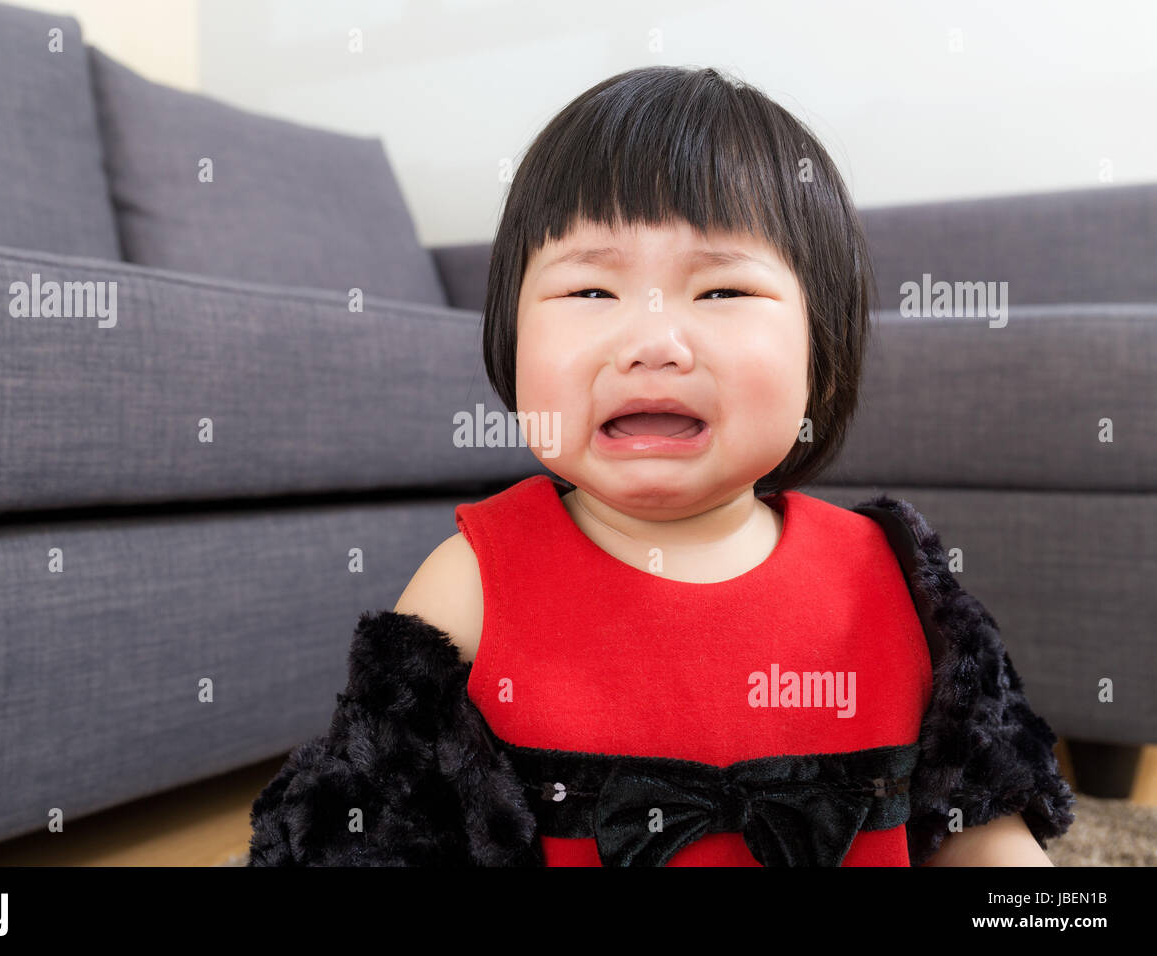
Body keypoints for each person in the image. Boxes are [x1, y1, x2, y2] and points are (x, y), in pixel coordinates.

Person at [248, 65, 1075, 867]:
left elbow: (976, 828)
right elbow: (371, 834)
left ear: (820, 358)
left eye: (720, 293)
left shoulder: (897, 579)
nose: (651, 343)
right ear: (510, 343)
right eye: (590, 293)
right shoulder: (471, 583)